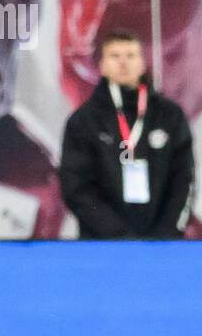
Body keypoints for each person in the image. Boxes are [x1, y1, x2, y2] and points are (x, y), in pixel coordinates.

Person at [59, 30, 194, 239]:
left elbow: (183, 179)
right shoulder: (84, 121)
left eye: (130, 56)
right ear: (102, 65)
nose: (123, 63)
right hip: (103, 246)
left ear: (142, 63)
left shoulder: (169, 116)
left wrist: (164, 235)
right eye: (115, 56)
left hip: (160, 247)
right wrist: (119, 235)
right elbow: (76, 187)